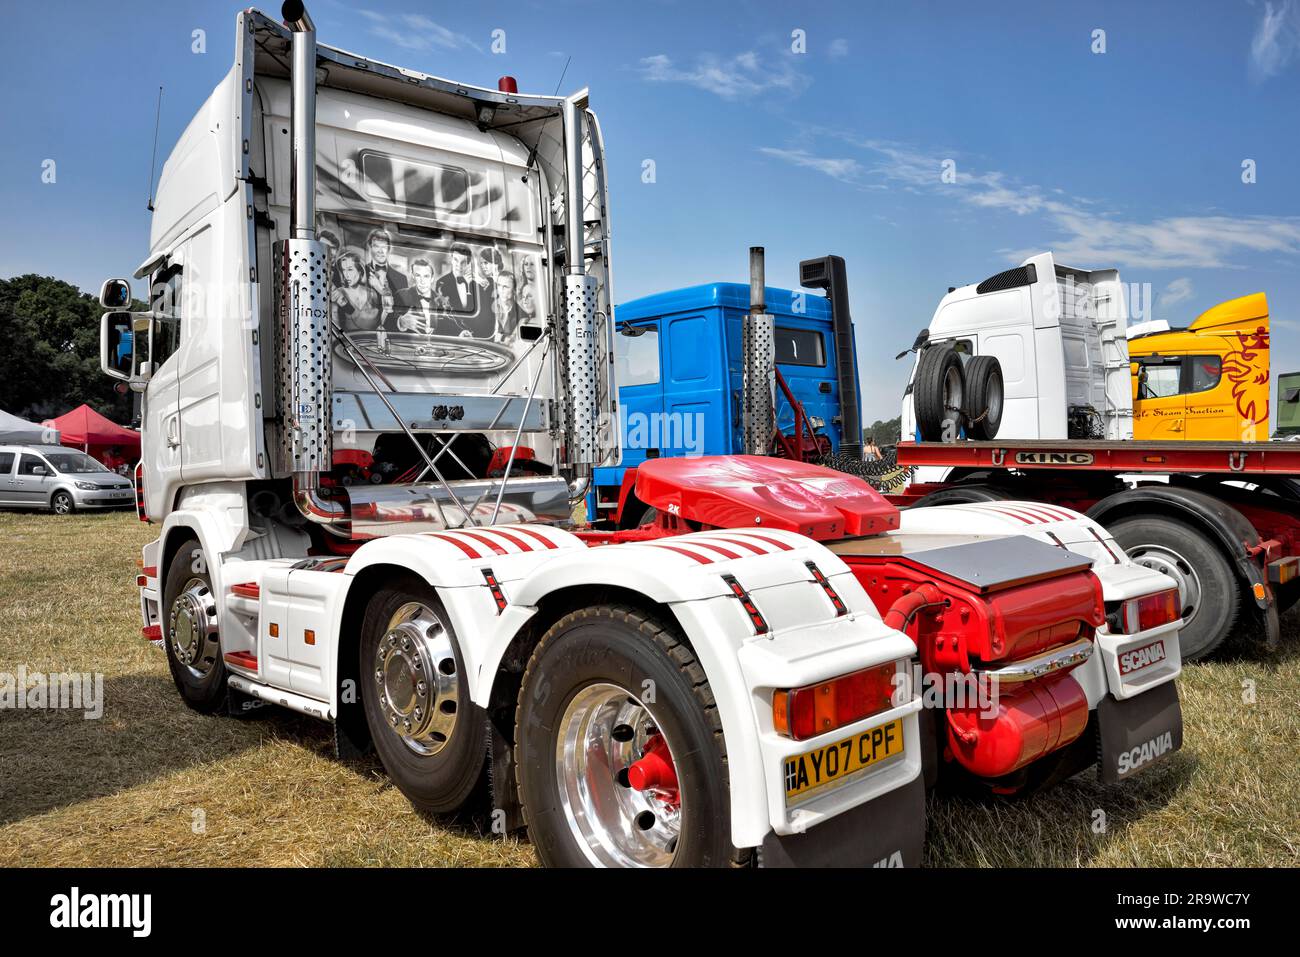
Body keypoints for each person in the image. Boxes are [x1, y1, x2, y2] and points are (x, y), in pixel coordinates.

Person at [364, 227, 407, 326]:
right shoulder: (361, 273)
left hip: (393, 332)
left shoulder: (401, 278)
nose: (380, 251)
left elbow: (402, 312)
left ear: (388, 249)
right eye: (376, 246)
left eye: (384, 247)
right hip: (365, 334)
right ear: (370, 248)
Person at [331, 251, 383, 332]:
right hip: (350, 342)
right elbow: (335, 329)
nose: (346, 275)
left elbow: (381, 323)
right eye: (343, 270)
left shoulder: (372, 293)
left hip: (372, 342)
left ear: (360, 270)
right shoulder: (339, 293)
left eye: (350, 269)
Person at [393, 259, 443, 334]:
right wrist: (400, 322)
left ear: (432, 278)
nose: (422, 281)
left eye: (426, 276)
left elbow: (447, 324)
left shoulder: (440, 299)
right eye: (418, 275)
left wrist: (461, 332)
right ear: (413, 276)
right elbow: (388, 322)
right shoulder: (401, 295)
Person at [434, 243, 479, 317]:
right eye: (456, 260)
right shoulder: (441, 282)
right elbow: (440, 314)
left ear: (468, 263)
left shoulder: (475, 283)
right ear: (451, 260)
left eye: (463, 262)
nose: (459, 265)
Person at [488, 271, 524, 340]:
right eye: (499, 285)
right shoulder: (487, 309)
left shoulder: (521, 315)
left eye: (505, 287)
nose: (501, 290)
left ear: (514, 290)